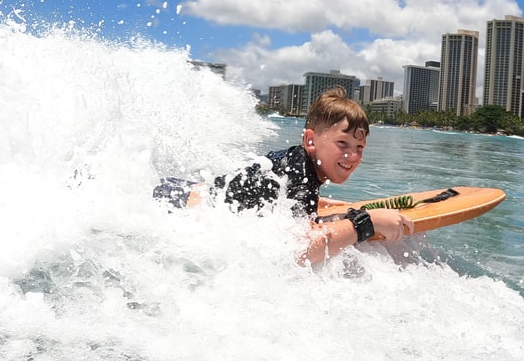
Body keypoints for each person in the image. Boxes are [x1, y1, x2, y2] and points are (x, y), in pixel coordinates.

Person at [152, 88, 412, 264]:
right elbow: (300, 251)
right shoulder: (300, 172)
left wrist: (333, 210)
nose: (352, 155)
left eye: (359, 148)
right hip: (171, 203)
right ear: (311, 140)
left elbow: (280, 205)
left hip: (182, 191)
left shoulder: (300, 167)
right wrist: (366, 224)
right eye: (342, 144)